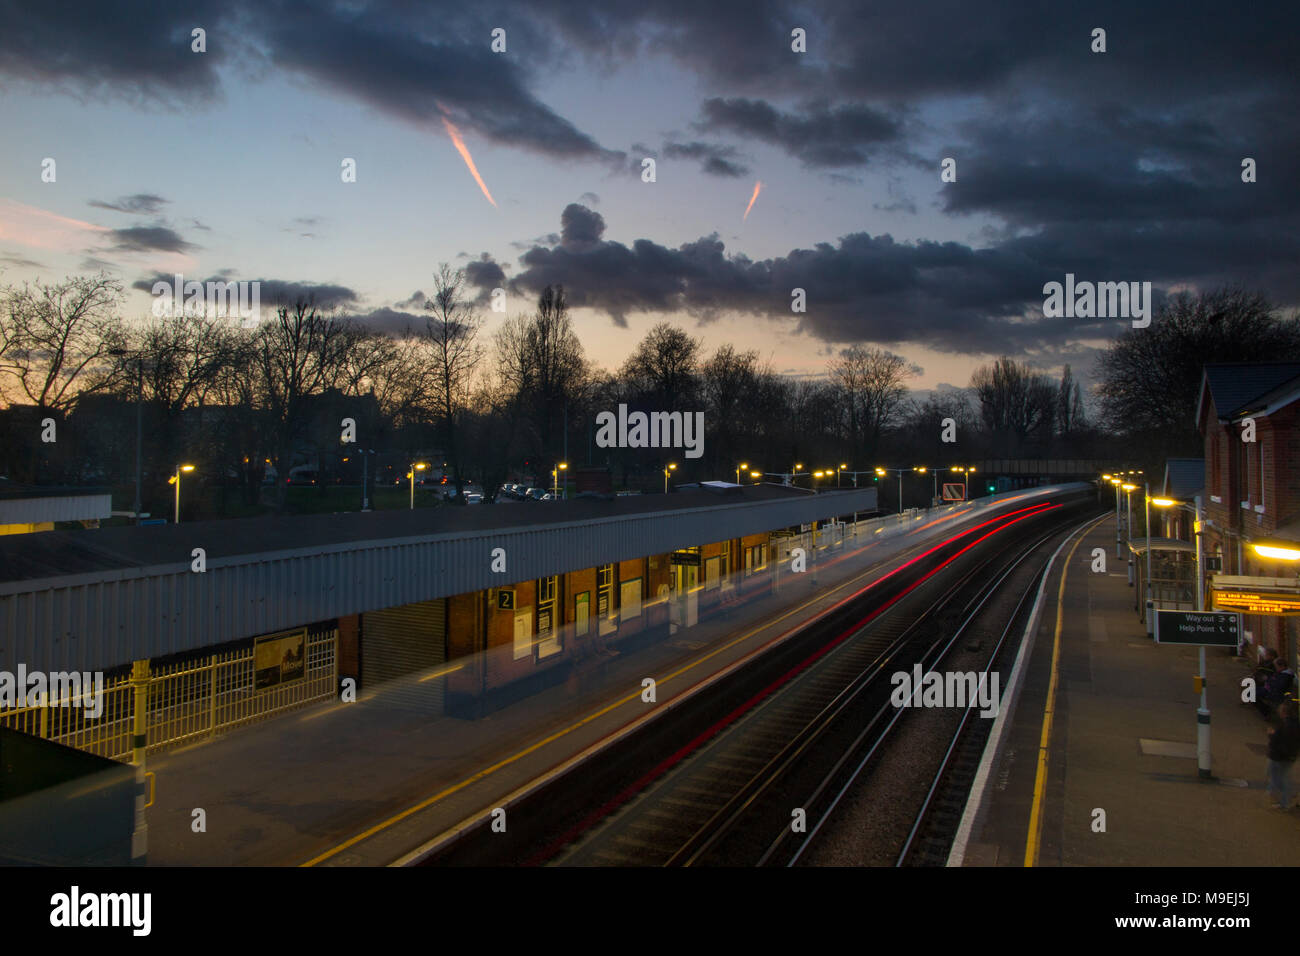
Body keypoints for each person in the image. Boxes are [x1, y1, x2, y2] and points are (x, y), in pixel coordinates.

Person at [1266, 699, 1300, 809]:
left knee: (1278, 776)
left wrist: (1272, 735)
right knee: (1281, 776)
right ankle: (1285, 796)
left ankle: (1284, 798)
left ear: (1284, 712)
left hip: (1281, 756)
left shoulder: (1287, 725)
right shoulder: (1293, 723)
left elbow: (1281, 740)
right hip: (1288, 755)